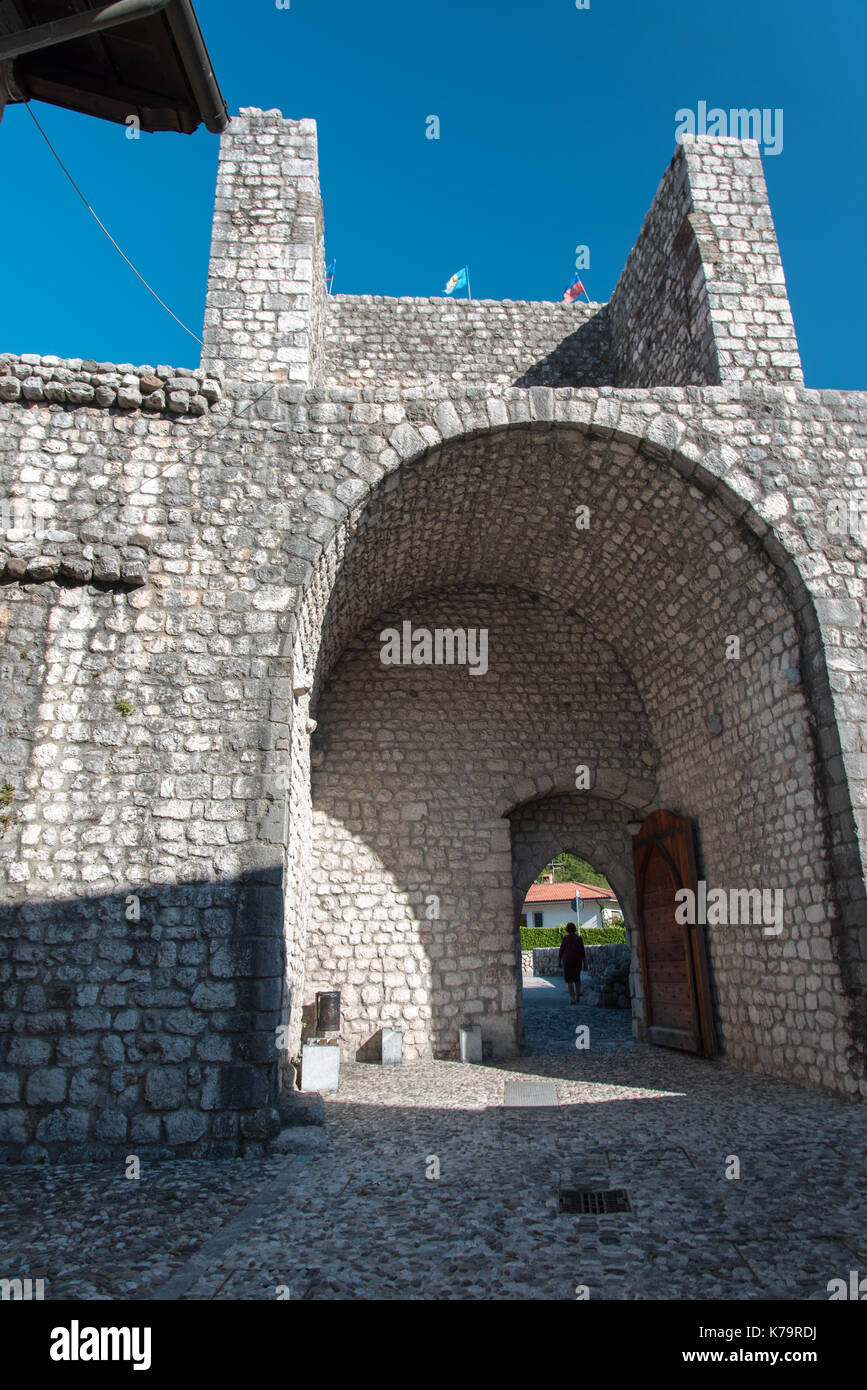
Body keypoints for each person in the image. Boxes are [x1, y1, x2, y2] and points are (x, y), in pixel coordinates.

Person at [559, 923, 586, 1004]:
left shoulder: (565, 938)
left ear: (567, 929)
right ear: (574, 929)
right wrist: (585, 963)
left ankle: (572, 998)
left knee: (569, 980)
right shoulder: (579, 938)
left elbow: (561, 950)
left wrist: (559, 961)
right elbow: (582, 951)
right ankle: (578, 996)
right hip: (577, 960)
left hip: (567, 960)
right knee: (577, 978)